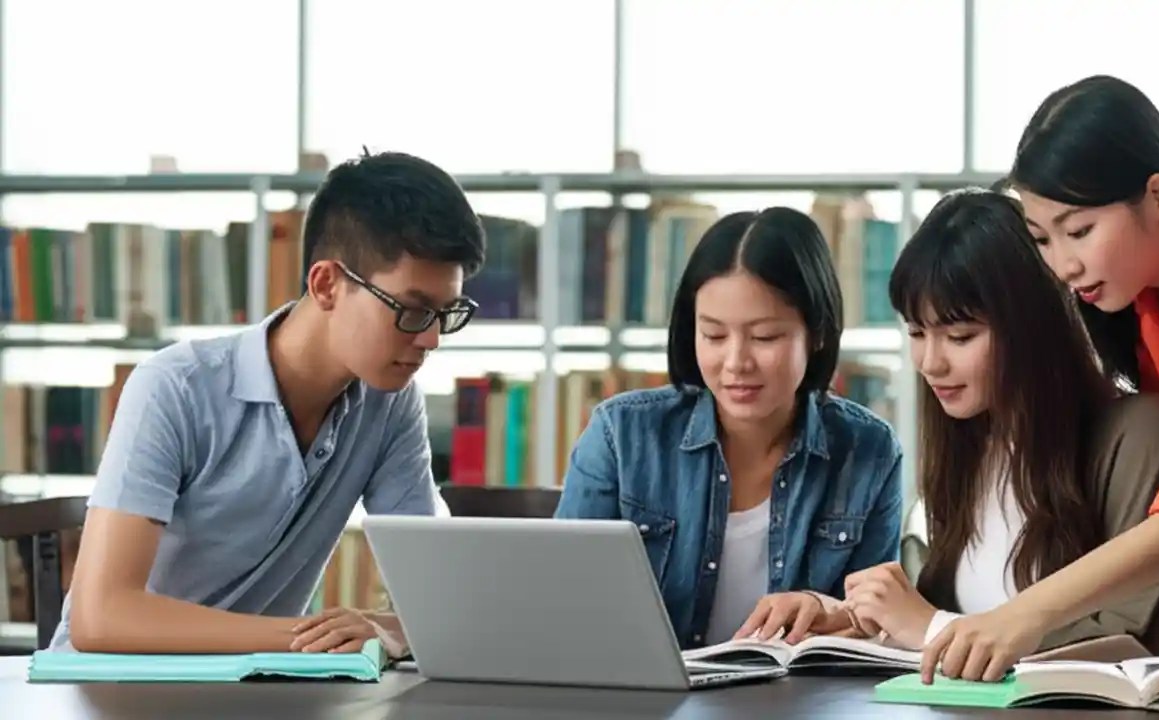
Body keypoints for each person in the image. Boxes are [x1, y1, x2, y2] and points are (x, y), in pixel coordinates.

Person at [920, 74, 1159, 683]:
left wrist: (1023, 615)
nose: (1063, 265)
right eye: (1042, 239)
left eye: (1079, 231)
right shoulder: (1142, 309)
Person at [51, 150, 485, 655]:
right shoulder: (174, 387)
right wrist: (317, 637)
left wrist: (391, 628)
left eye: (448, 313)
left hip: (260, 685)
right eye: (412, 309)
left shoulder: (390, 404)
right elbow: (101, 617)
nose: (432, 339)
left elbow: (430, 598)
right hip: (111, 685)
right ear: (326, 285)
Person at [838, 188, 1159, 658]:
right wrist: (859, 620)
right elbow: (937, 622)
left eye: (960, 336)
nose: (931, 362)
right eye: (916, 332)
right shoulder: (967, 442)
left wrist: (931, 628)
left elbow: (1135, 637)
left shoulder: (1137, 434)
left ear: (1030, 328)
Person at [555, 206, 903, 649]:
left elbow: (873, 629)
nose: (736, 362)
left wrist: (826, 609)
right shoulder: (621, 435)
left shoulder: (868, 451)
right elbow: (562, 601)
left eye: (764, 337)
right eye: (714, 336)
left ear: (817, 332)